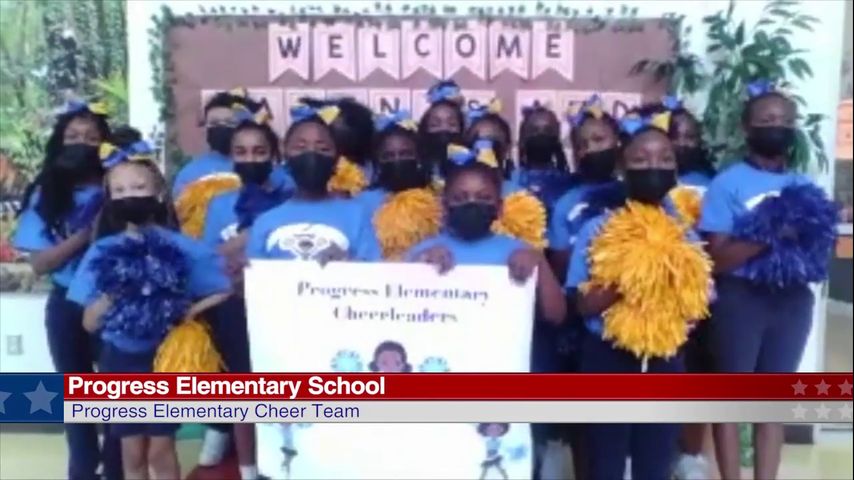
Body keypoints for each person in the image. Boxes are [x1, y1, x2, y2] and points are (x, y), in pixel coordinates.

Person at [67, 143, 230, 480]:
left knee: (160, 449)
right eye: (119, 190)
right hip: (119, 361)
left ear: (158, 193)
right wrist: (111, 295)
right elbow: (88, 323)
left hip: (166, 360)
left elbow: (225, 289)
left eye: (139, 187)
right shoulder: (102, 251)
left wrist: (190, 312)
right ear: (109, 199)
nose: (129, 195)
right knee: (132, 453)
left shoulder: (181, 247)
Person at [698, 82, 835, 480]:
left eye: (786, 121)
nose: (778, 127)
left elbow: (817, 252)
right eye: (768, 120)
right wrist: (769, 234)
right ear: (747, 128)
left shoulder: (805, 186)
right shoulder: (727, 184)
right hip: (741, 300)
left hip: (792, 303)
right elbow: (717, 259)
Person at [567, 110, 711, 480]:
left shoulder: (686, 234)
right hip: (606, 358)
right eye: (641, 160)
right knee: (605, 463)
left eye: (665, 159)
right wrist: (629, 276)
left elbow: (698, 308)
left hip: (665, 360)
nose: (654, 167)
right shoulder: (596, 230)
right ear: (622, 167)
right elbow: (582, 305)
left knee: (655, 463)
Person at [13, 100, 120, 480]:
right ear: (59, 141)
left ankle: (116, 471)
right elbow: (41, 263)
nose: (81, 144)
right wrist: (85, 236)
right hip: (65, 306)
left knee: (118, 398)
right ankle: (83, 471)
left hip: (115, 304)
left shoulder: (120, 186)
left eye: (91, 137)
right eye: (73, 136)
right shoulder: (45, 195)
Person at [198, 107, 292, 478]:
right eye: (241, 152)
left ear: (275, 155)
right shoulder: (220, 204)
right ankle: (249, 468)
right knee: (242, 386)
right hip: (234, 305)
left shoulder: (291, 199)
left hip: (284, 307)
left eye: (259, 151)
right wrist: (245, 241)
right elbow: (208, 258)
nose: (250, 159)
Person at [406, 156, 566, 326]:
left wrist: (539, 263)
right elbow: (400, 312)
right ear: (445, 206)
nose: (472, 203)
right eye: (459, 198)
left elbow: (556, 316)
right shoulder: (423, 252)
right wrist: (418, 268)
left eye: (483, 198)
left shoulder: (519, 251)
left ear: (499, 208)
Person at [245, 104, 380, 262]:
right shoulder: (265, 221)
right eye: (301, 147)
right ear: (286, 155)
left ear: (337, 159)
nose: (311, 154)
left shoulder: (358, 215)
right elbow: (253, 274)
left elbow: (371, 270)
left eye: (323, 149)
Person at [548, 95, 622, 280]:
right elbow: (561, 270)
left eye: (599, 139)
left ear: (618, 141)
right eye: (581, 145)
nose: (590, 149)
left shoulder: (635, 192)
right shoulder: (565, 204)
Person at [358, 109, 431, 217]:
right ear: (378, 160)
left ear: (418, 156)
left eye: (405, 153)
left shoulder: (433, 197)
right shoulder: (363, 201)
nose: (397, 160)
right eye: (388, 156)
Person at [515, 102, 574, 219]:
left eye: (548, 131)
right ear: (523, 137)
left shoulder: (570, 185)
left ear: (557, 137)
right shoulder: (509, 182)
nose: (541, 135)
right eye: (534, 130)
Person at [463, 99, 522, 195]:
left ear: (507, 147)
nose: (484, 146)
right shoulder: (456, 188)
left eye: (492, 140)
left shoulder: (519, 193)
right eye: (477, 140)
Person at [417, 80, 466, 179]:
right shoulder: (416, 168)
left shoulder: (470, 167)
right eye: (435, 125)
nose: (444, 128)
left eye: (452, 124)